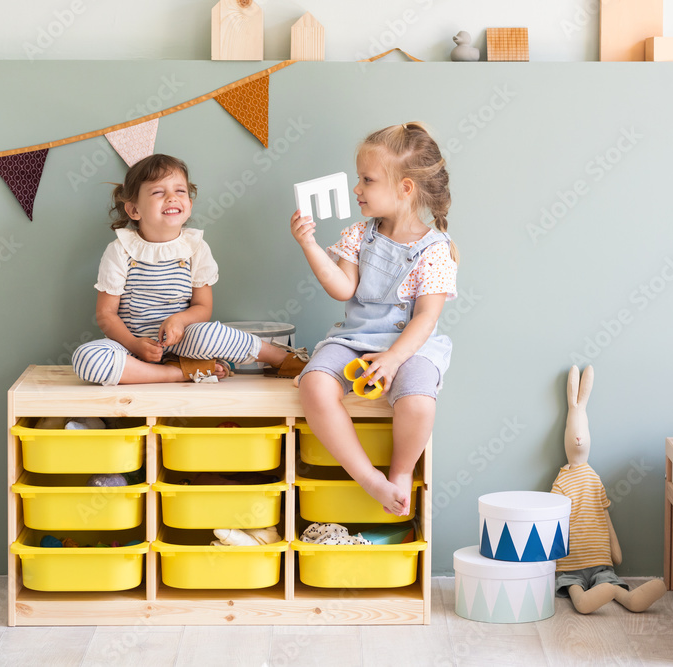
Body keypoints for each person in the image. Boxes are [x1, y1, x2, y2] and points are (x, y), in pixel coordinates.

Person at [290, 122, 458, 516]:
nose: (357, 188)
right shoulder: (357, 235)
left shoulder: (435, 250)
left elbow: (426, 318)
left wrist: (395, 358)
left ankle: (399, 474)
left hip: (409, 346)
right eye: (358, 178)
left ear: (405, 188)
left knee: (419, 401)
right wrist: (309, 245)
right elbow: (342, 289)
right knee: (313, 386)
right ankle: (368, 477)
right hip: (354, 338)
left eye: (367, 180)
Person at [72, 154, 307, 386]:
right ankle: (180, 373)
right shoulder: (120, 250)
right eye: (158, 192)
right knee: (87, 359)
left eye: (180, 191)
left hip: (184, 343)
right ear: (134, 210)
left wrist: (179, 320)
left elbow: (203, 307)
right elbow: (106, 315)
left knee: (211, 333)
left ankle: (282, 359)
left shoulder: (195, 248)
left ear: (189, 205)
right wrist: (134, 345)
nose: (172, 198)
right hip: (130, 348)